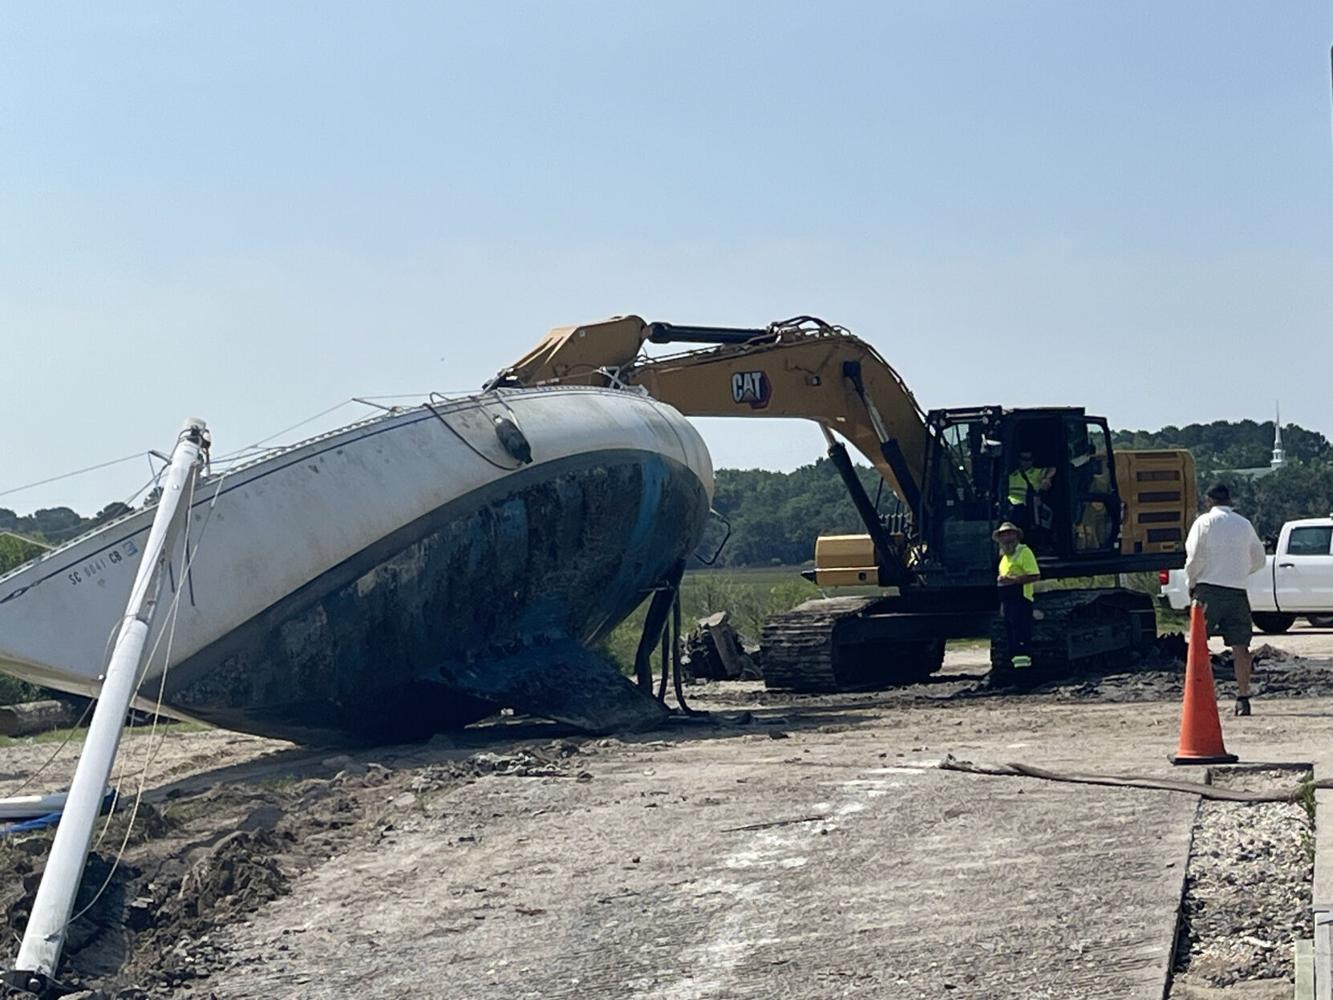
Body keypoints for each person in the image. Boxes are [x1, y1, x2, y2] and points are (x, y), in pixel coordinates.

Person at [1184, 483, 1266, 715]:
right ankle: (1243, 697)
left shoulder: (1204, 522)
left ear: (1209, 500)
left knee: (1199, 645)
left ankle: (1198, 697)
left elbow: (1194, 557)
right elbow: (1259, 558)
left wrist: (1191, 583)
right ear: (1229, 500)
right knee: (1241, 646)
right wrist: (1239, 572)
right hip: (1237, 590)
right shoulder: (1244, 524)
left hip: (1208, 588)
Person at [994, 521, 1041, 669]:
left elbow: (1035, 575)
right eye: (1003, 535)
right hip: (1008, 602)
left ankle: (1024, 676)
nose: (1006, 538)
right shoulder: (1004, 558)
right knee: (1012, 639)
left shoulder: (1024, 552)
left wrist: (1012, 580)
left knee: (1021, 638)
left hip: (1021, 600)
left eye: (1009, 534)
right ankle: (1017, 673)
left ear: (1016, 536)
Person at [1006, 451, 1054, 537]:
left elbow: (1053, 468)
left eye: (1029, 459)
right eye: (1023, 459)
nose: (1026, 462)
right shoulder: (1012, 475)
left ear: (1033, 461)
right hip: (1011, 511)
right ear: (1019, 460)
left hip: (1029, 512)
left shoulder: (1037, 472)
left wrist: (1047, 479)